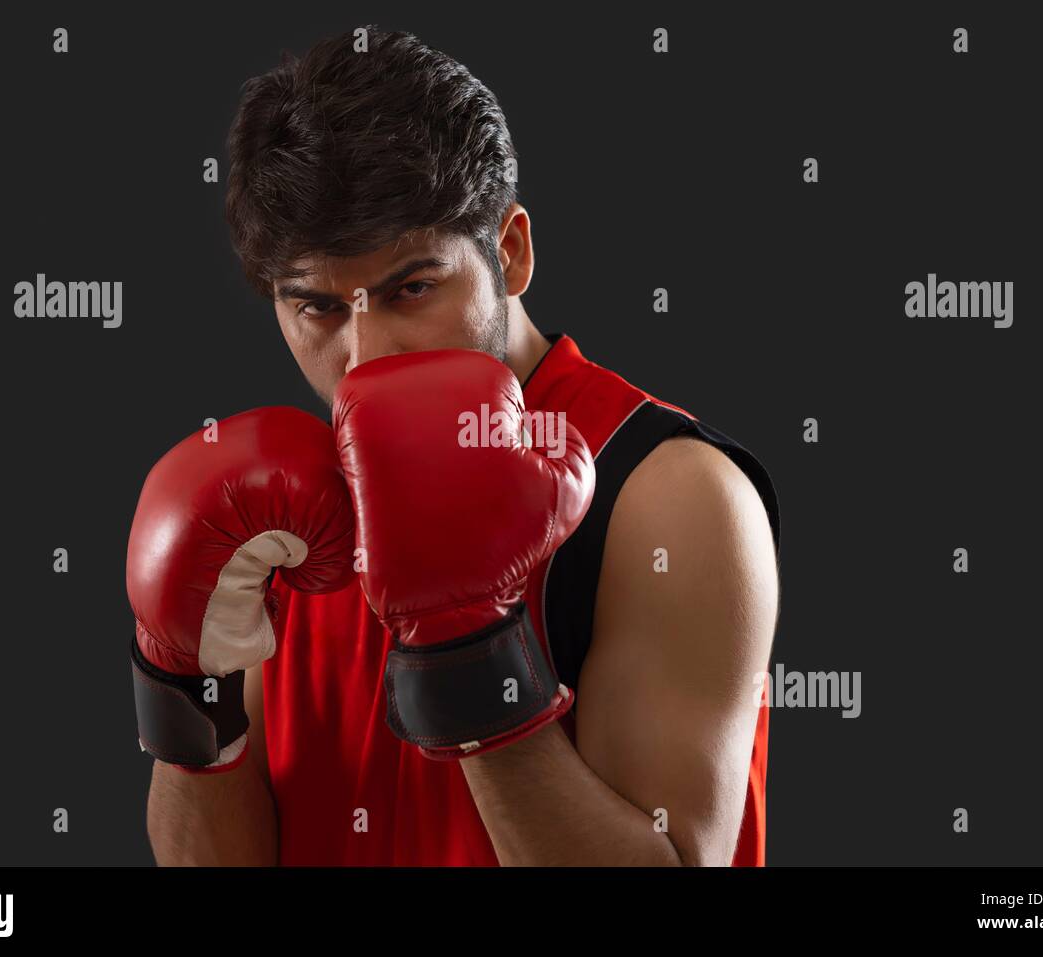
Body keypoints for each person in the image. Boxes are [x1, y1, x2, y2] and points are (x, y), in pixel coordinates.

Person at [130, 26, 781, 866]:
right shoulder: (280, 510)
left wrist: (466, 648)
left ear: (508, 253)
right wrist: (188, 689)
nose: (366, 357)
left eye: (412, 288)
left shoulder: (669, 494)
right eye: (319, 308)